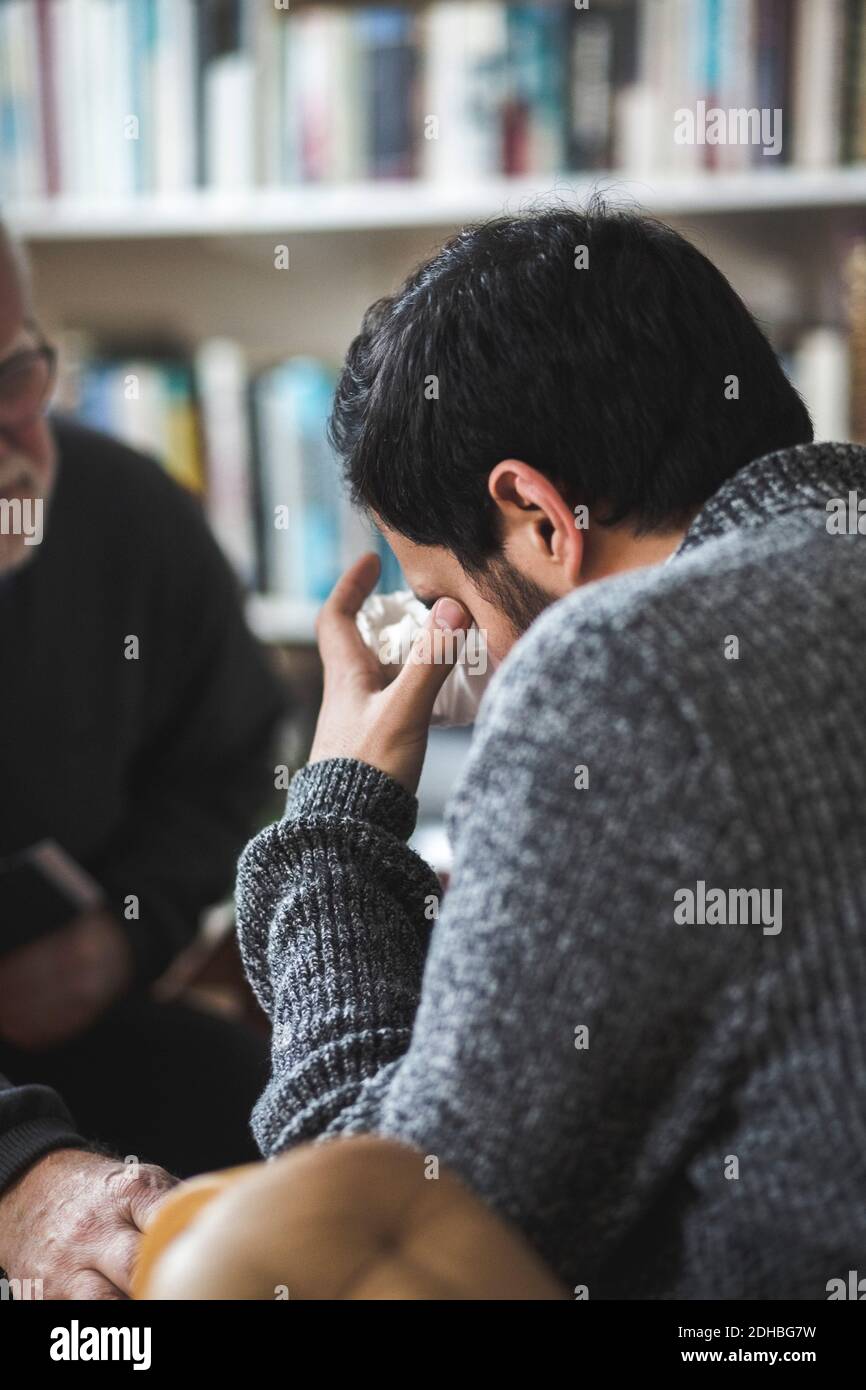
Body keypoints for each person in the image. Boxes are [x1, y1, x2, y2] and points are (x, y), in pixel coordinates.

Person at [236, 205, 866, 1300]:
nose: (459, 653)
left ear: (536, 514)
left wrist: (332, 825)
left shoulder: (632, 672)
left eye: (447, 605)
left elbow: (375, 1246)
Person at [0, 224, 286, 1296]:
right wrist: (20, 1176)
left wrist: (126, 929)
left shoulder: (128, 517)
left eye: (14, 375)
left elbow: (233, 756)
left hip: (84, 1028)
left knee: (278, 1125)